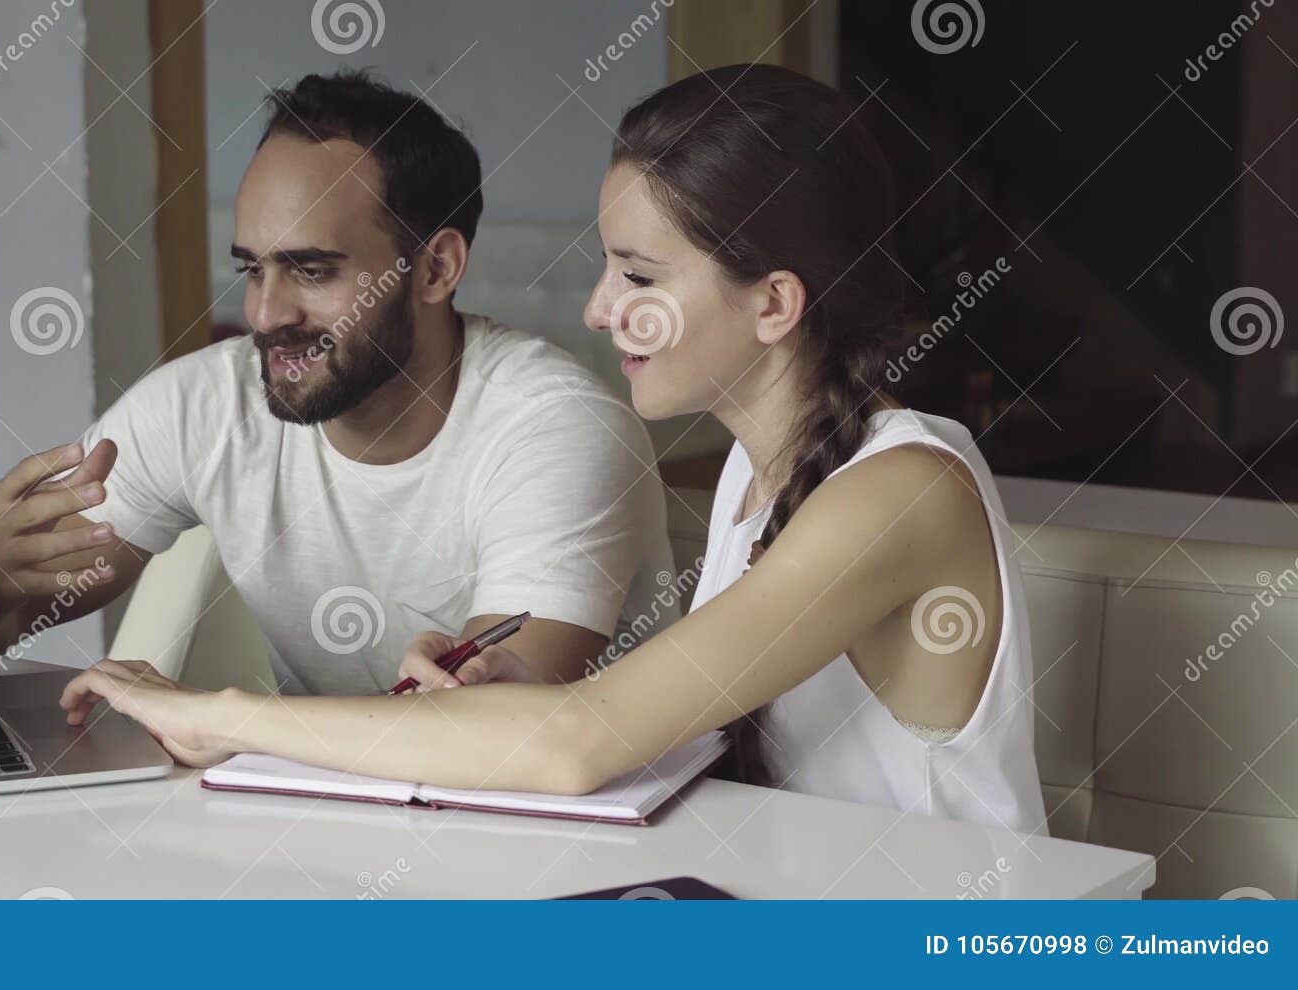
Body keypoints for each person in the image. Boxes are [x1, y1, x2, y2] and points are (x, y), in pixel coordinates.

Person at [58, 64, 1047, 835]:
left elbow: (579, 744)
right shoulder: (760, 470)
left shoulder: (903, 491)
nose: (597, 308)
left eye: (638, 275)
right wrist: (502, 690)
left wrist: (217, 717)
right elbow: (587, 723)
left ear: (774, 303)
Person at [0, 69, 673, 697]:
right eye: (252, 268)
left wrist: (216, 723)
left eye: (311, 270)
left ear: (436, 268)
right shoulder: (203, 403)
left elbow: (493, 734)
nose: (266, 315)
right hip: (325, 834)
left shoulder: (555, 428)